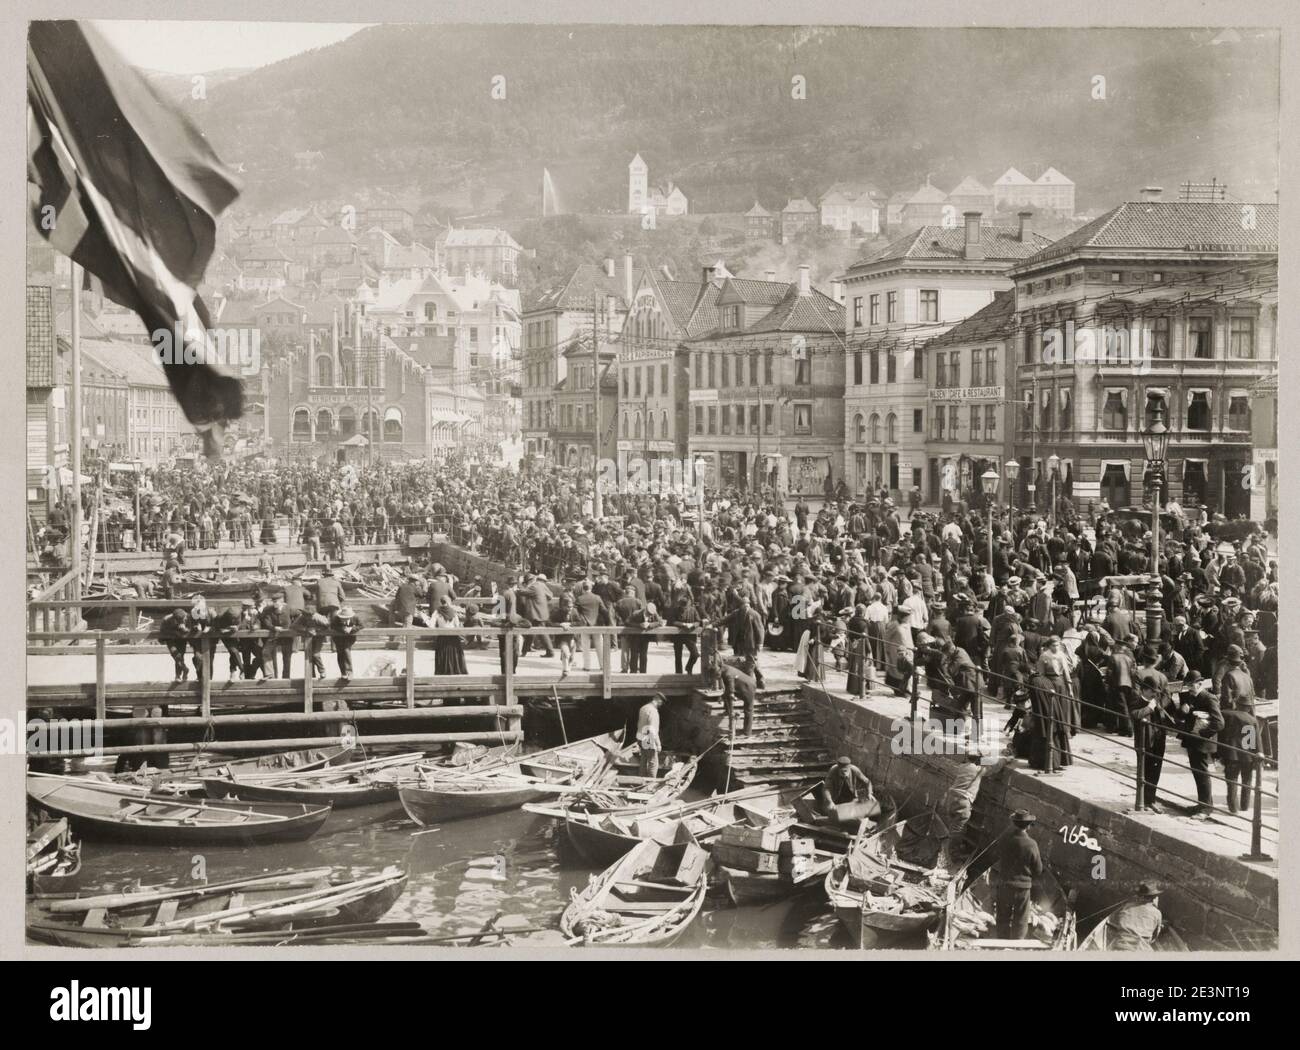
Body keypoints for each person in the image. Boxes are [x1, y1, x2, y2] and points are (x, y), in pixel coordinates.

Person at [1177, 672, 1223, 817]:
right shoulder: (1192, 697)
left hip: (1202, 742)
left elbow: (1219, 723)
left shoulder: (1209, 698)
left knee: (1202, 773)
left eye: (1192, 685)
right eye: (1188, 685)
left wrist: (1203, 733)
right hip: (1192, 740)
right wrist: (1183, 711)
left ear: (1200, 684)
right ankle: (1203, 804)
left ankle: (1206, 808)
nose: (1189, 688)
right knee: (1198, 772)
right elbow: (1181, 716)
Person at [995, 810, 1043, 940]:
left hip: (1004, 885)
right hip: (1023, 888)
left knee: (1002, 918)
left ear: (1014, 823)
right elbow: (1038, 870)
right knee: (1021, 920)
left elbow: (997, 856)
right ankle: (1016, 945)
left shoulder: (1004, 840)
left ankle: (1001, 943)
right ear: (1028, 826)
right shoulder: (1032, 844)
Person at [1218, 695, 1260, 815]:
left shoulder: (1227, 715)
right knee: (1247, 780)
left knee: (1232, 780)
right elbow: (1256, 742)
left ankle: (1233, 808)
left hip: (1232, 755)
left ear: (1237, 705)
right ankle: (1245, 806)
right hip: (1248, 756)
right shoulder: (1253, 720)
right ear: (1249, 708)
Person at [1104, 882, 1164, 950]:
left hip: (1119, 946)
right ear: (1155, 898)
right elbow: (1154, 938)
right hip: (1139, 949)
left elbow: (1118, 922)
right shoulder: (1157, 912)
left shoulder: (1127, 906)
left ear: (1139, 895)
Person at [719, 652, 758, 737]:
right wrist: (722, 696)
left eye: (716, 674)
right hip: (742, 685)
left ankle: (747, 732)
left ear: (719, 669)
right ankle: (727, 711)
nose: (716, 677)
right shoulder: (725, 668)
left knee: (748, 709)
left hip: (749, 687)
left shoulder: (727, 673)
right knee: (727, 695)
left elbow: (730, 688)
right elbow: (727, 689)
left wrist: (726, 695)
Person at [260, 591, 294, 680]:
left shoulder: (289, 608)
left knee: (286, 657)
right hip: (274, 636)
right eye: (273, 601)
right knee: (266, 652)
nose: (274, 603)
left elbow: (299, 615)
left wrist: (293, 626)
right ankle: (270, 674)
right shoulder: (268, 609)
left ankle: (286, 678)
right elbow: (266, 622)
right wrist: (274, 627)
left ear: (282, 601)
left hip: (287, 637)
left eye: (276, 601)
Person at [431, 597, 467, 677]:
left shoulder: (437, 611)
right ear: (448, 602)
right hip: (453, 636)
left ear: (441, 602)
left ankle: (442, 672)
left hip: (442, 636)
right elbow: (457, 625)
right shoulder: (453, 612)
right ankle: (455, 670)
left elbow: (431, 625)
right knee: (454, 654)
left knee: (442, 654)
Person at [158, 607, 192, 682]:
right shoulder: (166, 619)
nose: (183, 621)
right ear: (174, 618)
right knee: (175, 654)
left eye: (183, 619)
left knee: (180, 655)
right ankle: (184, 669)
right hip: (170, 639)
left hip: (182, 639)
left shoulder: (188, 617)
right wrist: (174, 632)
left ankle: (179, 675)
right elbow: (163, 631)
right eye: (180, 620)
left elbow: (191, 631)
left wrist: (185, 630)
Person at [636, 693, 665, 778]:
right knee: (653, 763)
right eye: (661, 703)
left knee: (643, 760)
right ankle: (651, 784)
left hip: (640, 737)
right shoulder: (653, 711)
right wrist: (658, 744)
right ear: (658, 700)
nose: (661, 705)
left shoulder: (643, 708)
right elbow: (653, 730)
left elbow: (639, 723)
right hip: (648, 738)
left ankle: (641, 781)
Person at [331, 604, 361, 681]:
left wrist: (351, 629)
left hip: (349, 638)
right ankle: (343, 673)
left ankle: (350, 672)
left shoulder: (355, 617)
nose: (344, 620)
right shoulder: (336, 618)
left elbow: (361, 626)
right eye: (342, 618)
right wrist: (342, 629)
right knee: (340, 654)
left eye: (346, 618)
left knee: (346, 651)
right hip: (338, 639)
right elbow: (332, 626)